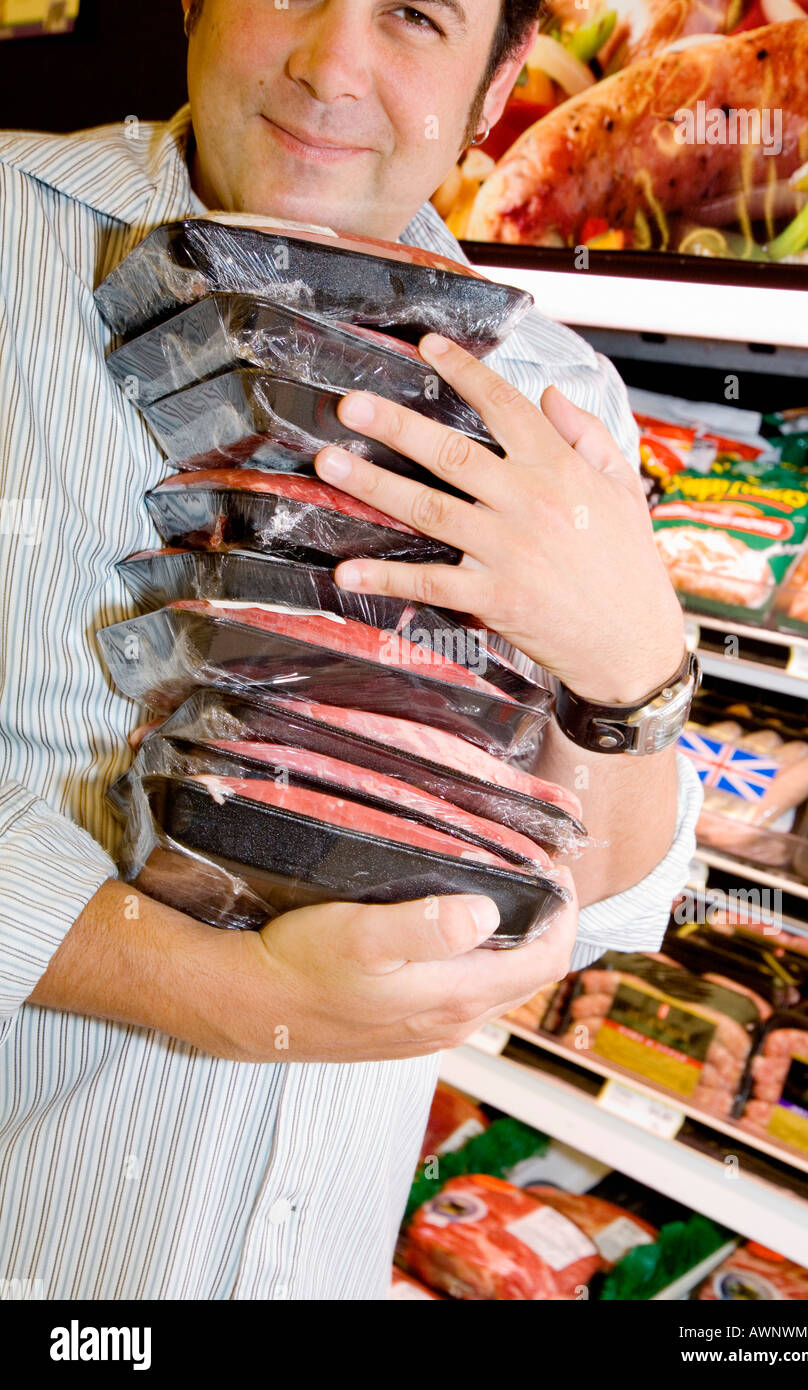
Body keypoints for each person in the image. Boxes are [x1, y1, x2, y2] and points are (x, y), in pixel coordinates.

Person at [0, 0, 700, 1300]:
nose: (331, 63)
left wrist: (630, 676)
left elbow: (599, 904)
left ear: (493, 95)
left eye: (414, 16)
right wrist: (205, 985)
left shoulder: (557, 394)